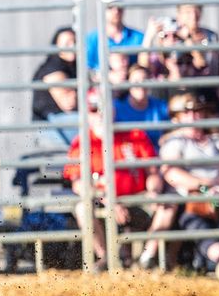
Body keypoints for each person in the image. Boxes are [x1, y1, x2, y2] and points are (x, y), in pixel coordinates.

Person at [60, 88, 163, 271]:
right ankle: (106, 258)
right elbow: (78, 184)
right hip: (103, 200)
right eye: (94, 108)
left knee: (166, 205)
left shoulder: (135, 135)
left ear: (113, 110)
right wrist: (109, 201)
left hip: (137, 197)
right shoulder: (81, 142)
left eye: (104, 108)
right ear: (86, 113)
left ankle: (147, 257)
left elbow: (153, 172)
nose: (100, 113)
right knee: (82, 208)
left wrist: (154, 191)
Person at [158, 92, 219, 281]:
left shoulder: (216, 138)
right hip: (191, 197)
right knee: (193, 219)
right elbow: (171, 174)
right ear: (177, 118)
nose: (194, 117)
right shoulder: (174, 141)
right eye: (188, 113)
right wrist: (205, 186)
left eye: (197, 112)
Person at [30, 25, 80, 146]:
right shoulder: (53, 68)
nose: (72, 46)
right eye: (67, 43)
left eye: (74, 42)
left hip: (62, 122)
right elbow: (68, 104)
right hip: (50, 125)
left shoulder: (74, 67)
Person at [82, 0, 144, 74]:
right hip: (100, 86)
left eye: (119, 6)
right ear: (102, 10)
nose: (116, 11)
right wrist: (108, 77)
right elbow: (86, 70)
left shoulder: (139, 37)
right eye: (110, 7)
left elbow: (145, 68)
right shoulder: (91, 39)